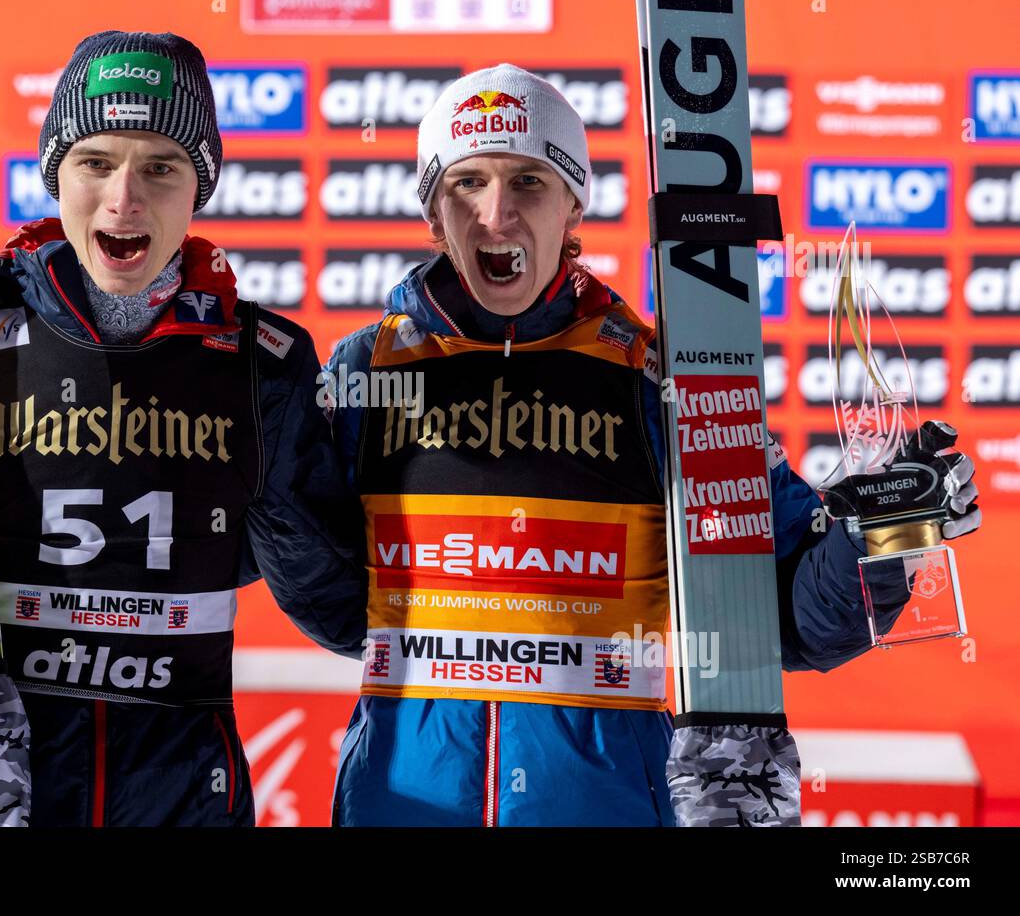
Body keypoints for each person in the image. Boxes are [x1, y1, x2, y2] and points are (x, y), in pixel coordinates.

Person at [325, 64, 982, 826]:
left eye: (529, 183)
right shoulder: (365, 373)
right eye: (467, 183)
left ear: (575, 205)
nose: (496, 214)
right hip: (404, 802)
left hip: (605, 805)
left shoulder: (659, 376)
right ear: (433, 213)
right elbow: (325, 595)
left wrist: (888, 535)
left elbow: (789, 620)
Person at [0, 31, 367, 826]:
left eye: (161, 167)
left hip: (184, 805)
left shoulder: (259, 364)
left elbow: (343, 612)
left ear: (198, 187)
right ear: (55, 174)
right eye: (95, 162)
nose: (124, 197)